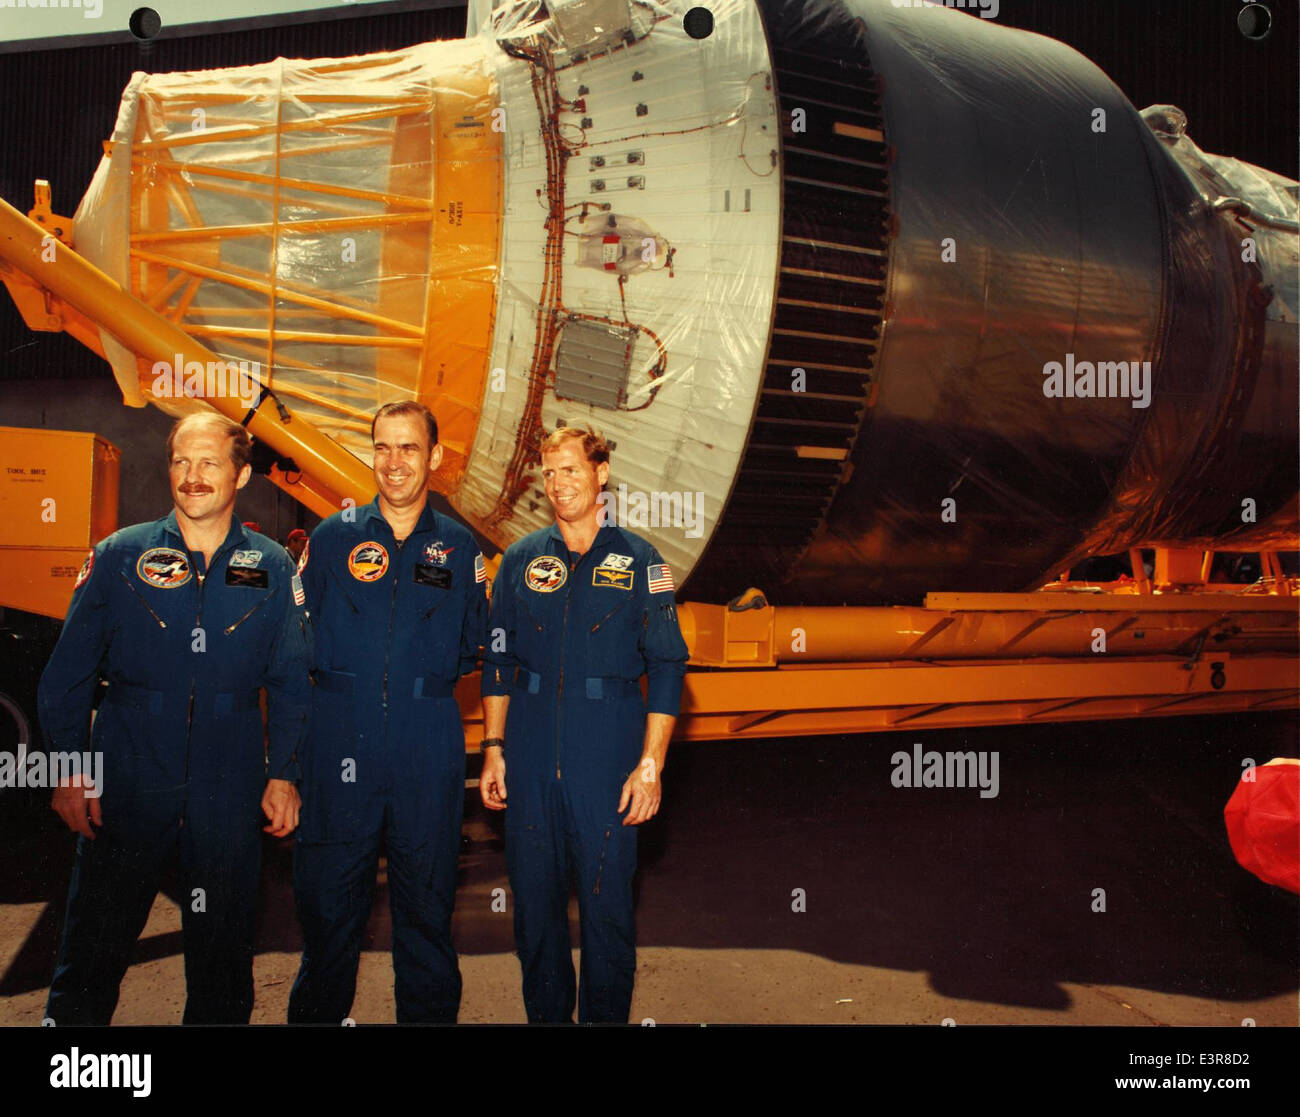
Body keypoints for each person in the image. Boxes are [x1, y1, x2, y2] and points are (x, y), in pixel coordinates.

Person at [39, 411, 311, 1025]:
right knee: (91, 951)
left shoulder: (273, 567)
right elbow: (67, 675)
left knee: (221, 961)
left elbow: (293, 682)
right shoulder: (118, 555)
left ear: (241, 475)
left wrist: (285, 773)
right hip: (128, 774)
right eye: (181, 462)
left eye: (210, 462)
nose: (193, 477)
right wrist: (66, 770)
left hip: (227, 783)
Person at [479, 427, 688, 1023]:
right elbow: (498, 660)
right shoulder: (521, 559)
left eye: (570, 470)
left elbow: (669, 667)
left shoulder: (642, 561)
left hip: (607, 756)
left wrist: (651, 766)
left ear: (600, 475)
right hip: (530, 753)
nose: (558, 484)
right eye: (548, 473)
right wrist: (494, 748)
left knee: (608, 915)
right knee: (536, 916)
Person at [288, 401, 487, 1024]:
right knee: (327, 914)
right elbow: (297, 645)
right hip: (337, 741)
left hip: (426, 744)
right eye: (382, 447)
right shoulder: (332, 537)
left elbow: (472, 644)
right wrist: (288, 766)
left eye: (407, 449)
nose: (393, 463)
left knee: (426, 915)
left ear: (434, 458)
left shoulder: (460, 549)